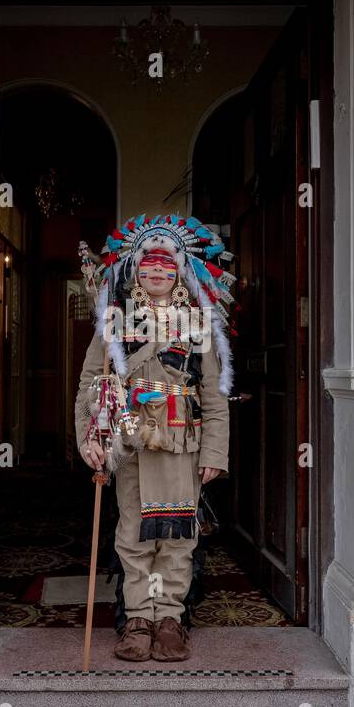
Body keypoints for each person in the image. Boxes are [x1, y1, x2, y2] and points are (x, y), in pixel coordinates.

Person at [74, 214, 236, 661]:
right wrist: (92, 437)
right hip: (130, 441)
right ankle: (138, 621)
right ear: (135, 272)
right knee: (133, 535)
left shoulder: (199, 327)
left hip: (182, 442)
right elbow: (91, 384)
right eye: (149, 267)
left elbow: (214, 395)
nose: (158, 273)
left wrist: (215, 452)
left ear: (181, 272)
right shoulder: (115, 323)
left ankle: (170, 619)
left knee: (178, 537)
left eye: (167, 267)